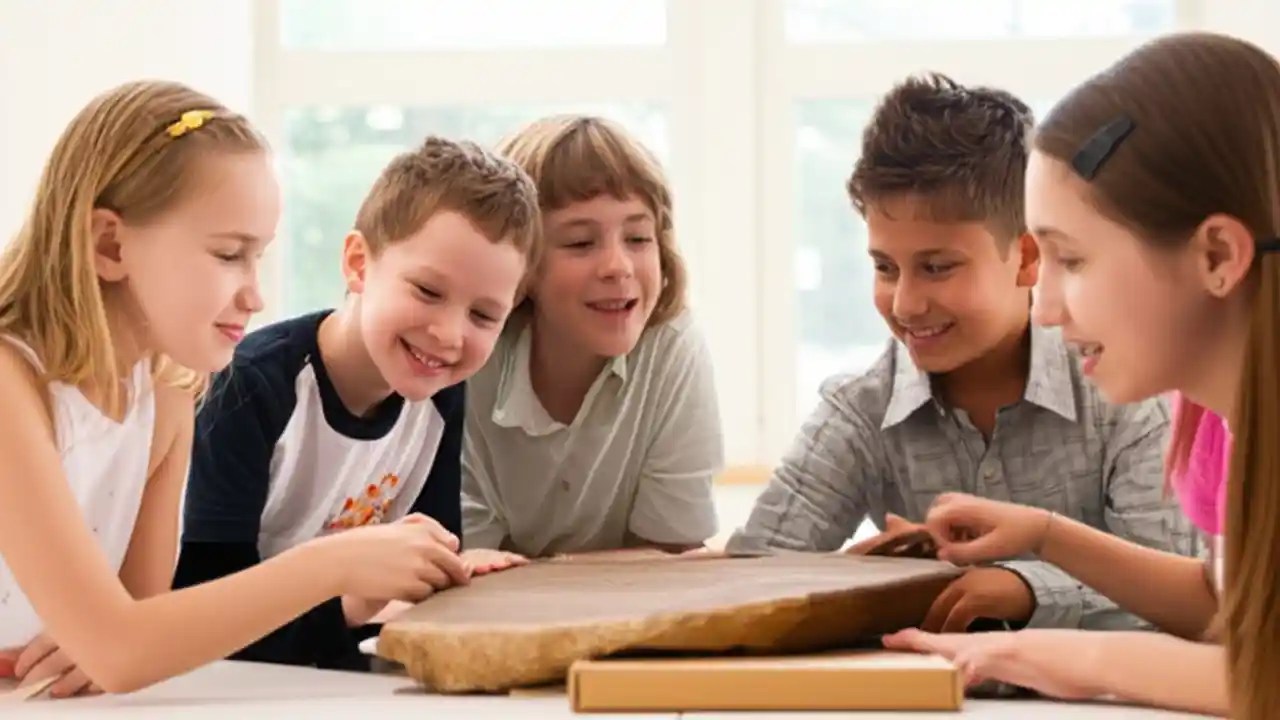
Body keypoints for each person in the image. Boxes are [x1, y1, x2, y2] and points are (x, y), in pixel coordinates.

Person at [0, 80, 463, 697]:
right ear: (110, 244)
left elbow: (142, 623)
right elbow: (121, 650)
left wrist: (113, 638)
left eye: (259, 257)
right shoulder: (12, 382)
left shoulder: (167, 390)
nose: (255, 296)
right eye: (227, 255)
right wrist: (336, 563)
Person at [884, 32, 1280, 719]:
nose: (1046, 311)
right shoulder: (1220, 427)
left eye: (1073, 260)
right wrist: (1046, 534)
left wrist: (1064, 658)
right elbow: (1230, 607)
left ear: (1217, 253)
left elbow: (1265, 676)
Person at [727, 72, 1195, 634]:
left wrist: (1021, 587)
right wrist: (853, 581)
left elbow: (1184, 592)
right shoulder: (858, 410)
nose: (905, 302)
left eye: (937, 267)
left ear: (1028, 259)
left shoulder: (1125, 390)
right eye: (884, 267)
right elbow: (749, 582)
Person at [172, 135, 539, 669]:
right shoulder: (248, 386)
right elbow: (199, 609)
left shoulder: (440, 396)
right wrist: (350, 604)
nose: (449, 334)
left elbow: (423, 561)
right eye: (428, 292)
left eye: (484, 316)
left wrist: (457, 572)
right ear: (358, 263)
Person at [461, 115, 724, 557]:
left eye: (638, 238)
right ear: (521, 265)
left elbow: (673, 556)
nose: (618, 266)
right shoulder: (468, 358)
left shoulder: (673, 346)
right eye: (581, 243)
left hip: (638, 618)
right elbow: (472, 565)